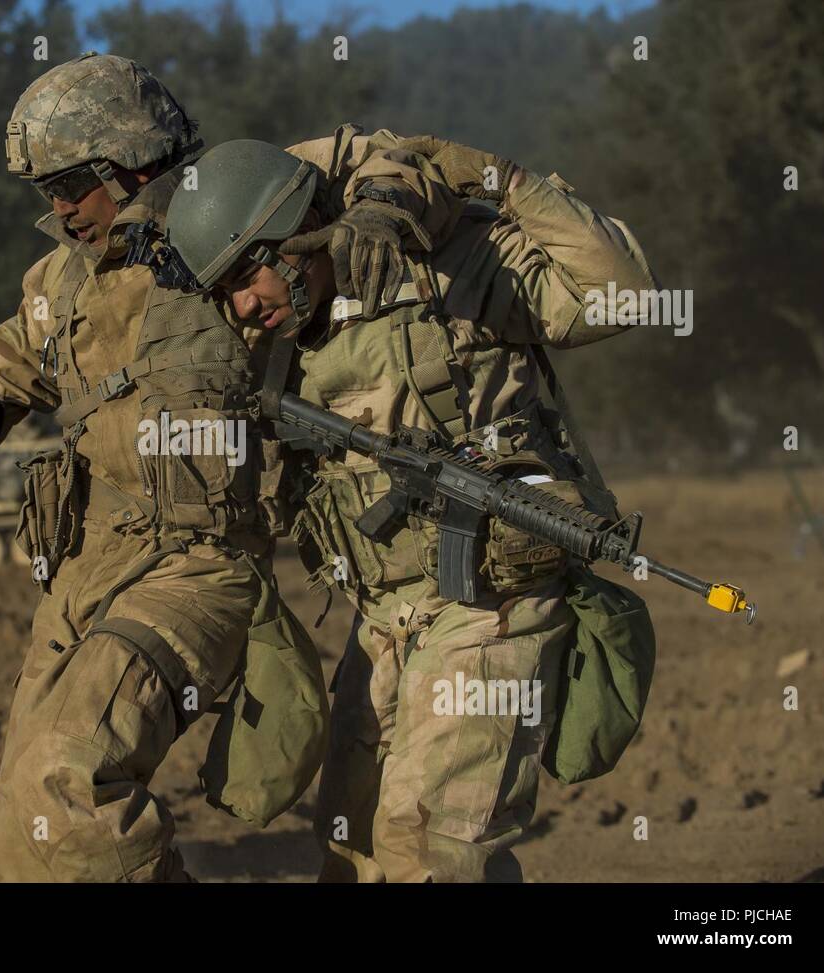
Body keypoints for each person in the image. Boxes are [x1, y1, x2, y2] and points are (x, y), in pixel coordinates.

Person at [0, 55, 435, 881]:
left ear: (129, 161)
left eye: (69, 183)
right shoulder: (58, 280)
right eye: (46, 192)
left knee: (67, 780)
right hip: (79, 574)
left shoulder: (231, 220)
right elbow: (5, 371)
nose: (59, 208)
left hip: (195, 567)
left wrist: (378, 216)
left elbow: (385, 156)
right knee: (12, 845)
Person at [157, 134, 659, 882]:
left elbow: (624, 294)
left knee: (429, 854)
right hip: (381, 622)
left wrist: (506, 180)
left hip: (490, 605)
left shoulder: (444, 269)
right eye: (221, 290)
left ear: (295, 234)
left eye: (246, 275)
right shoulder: (268, 343)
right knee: (353, 856)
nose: (240, 305)